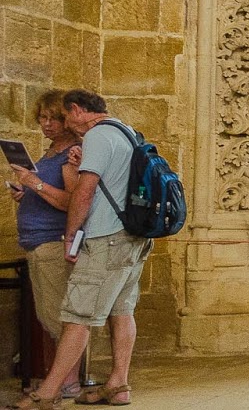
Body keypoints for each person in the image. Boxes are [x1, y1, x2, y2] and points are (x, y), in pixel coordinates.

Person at [19, 90, 152, 410]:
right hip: (133, 236)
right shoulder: (127, 132)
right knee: (122, 311)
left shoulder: (96, 137)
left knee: (77, 317)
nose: (66, 125)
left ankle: (48, 393)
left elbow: (84, 192)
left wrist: (71, 236)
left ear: (78, 110)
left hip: (106, 239)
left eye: (65, 117)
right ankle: (118, 385)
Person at [7, 91, 82, 401]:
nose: (47, 125)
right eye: (42, 118)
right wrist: (27, 193)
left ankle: (67, 383)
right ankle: (63, 380)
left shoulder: (72, 154)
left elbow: (73, 202)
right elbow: (49, 194)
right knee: (48, 316)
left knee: (58, 317)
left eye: (53, 118)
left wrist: (34, 184)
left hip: (52, 242)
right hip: (37, 242)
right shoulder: (51, 152)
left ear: (67, 120)